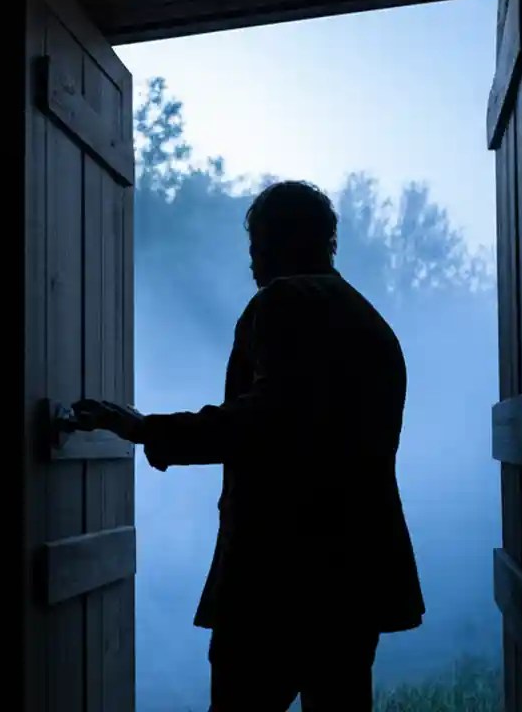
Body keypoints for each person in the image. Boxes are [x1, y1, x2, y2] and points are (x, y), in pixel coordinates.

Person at [73, 181, 425, 711]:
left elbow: (265, 420)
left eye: (259, 245)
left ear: (282, 242)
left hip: (280, 573)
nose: (254, 262)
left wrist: (146, 428)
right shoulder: (369, 320)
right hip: (358, 568)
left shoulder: (283, 301)